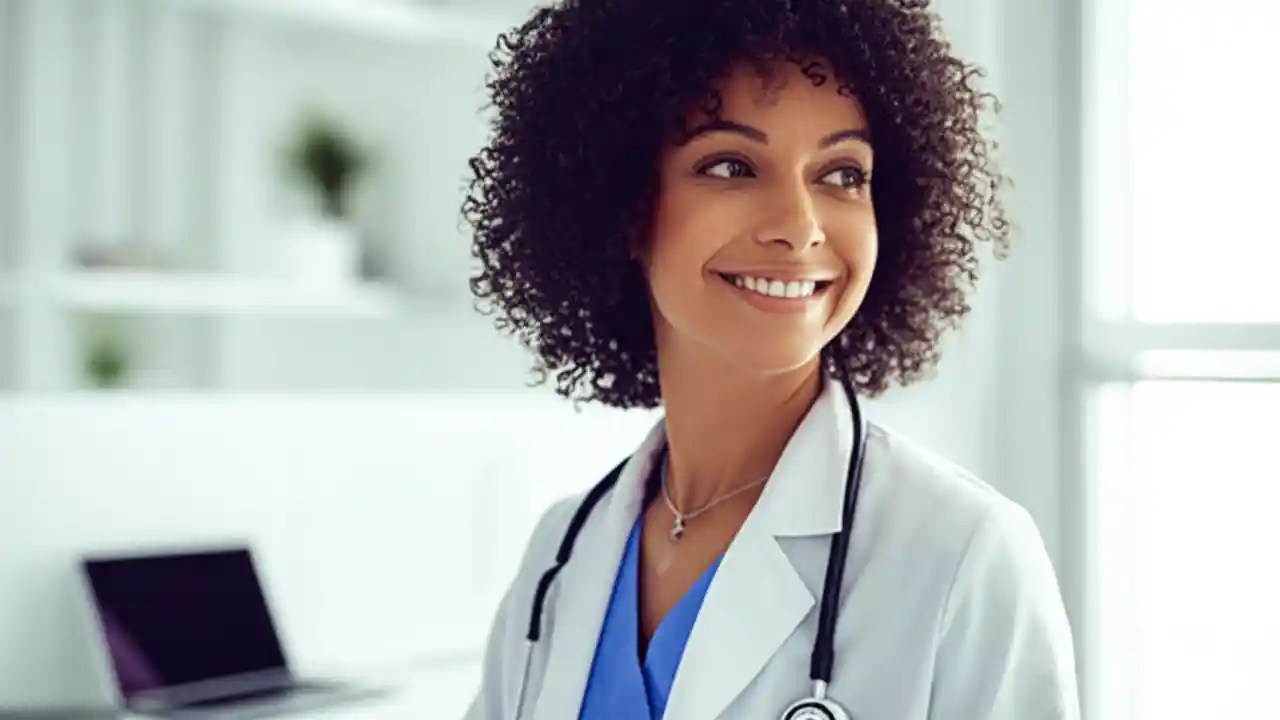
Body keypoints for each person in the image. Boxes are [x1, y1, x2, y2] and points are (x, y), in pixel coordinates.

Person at [460, 1, 1080, 718]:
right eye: (731, 166)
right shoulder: (561, 557)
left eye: (843, 174)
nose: (800, 226)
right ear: (626, 204)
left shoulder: (962, 554)